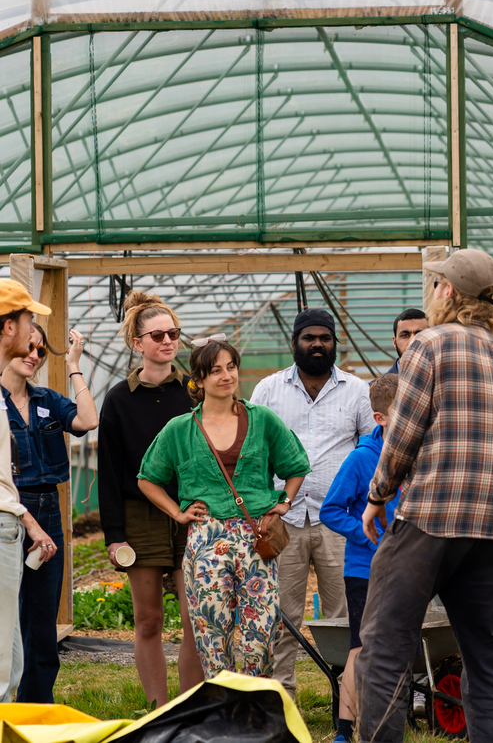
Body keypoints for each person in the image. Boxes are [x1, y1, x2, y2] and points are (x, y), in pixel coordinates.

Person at [355, 248, 493, 743]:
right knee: (489, 656)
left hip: (432, 520)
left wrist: (378, 496)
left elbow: (402, 436)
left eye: (435, 284)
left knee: (385, 645)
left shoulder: (429, 345)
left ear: (447, 292)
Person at [138, 337, 311, 679]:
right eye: (215, 371)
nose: (226, 376)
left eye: (230, 367)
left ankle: (254, 712)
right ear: (198, 381)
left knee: (259, 634)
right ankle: (223, 712)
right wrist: (177, 513)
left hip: (257, 538)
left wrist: (284, 503)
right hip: (206, 538)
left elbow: (297, 465)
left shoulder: (261, 419)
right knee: (211, 634)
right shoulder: (180, 429)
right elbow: (148, 478)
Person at [250, 308, 374, 698]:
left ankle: (345, 695)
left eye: (325, 337)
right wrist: (264, 505)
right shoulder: (268, 390)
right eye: (309, 338)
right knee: (282, 614)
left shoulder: (357, 391)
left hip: (339, 521)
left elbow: (374, 449)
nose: (318, 344)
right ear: (295, 343)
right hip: (281, 520)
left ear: (335, 342)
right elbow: (254, 452)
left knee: (344, 617)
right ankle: (280, 694)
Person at [97, 290, 204, 707]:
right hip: (140, 516)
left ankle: (189, 709)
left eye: (173, 334)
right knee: (148, 620)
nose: (167, 342)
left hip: (193, 512)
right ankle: (160, 711)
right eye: (157, 335)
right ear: (137, 343)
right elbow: (109, 471)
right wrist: (114, 535)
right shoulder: (119, 400)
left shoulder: (192, 392)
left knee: (195, 618)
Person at [1, 323, 98, 703]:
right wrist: (27, 519)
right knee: (6, 620)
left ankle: (36, 706)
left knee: (41, 621)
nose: (34, 356)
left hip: (49, 512)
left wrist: (74, 364)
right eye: (28, 347)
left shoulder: (47, 399)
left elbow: (88, 421)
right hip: (10, 511)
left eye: (41, 350)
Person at [319, 374, 400, 743]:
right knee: (360, 647)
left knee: (396, 646)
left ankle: (386, 720)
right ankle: (343, 730)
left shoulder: (420, 455)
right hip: (365, 569)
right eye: (406, 410)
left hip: (410, 566)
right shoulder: (362, 458)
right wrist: (368, 536)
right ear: (380, 418)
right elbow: (331, 510)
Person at [0, 280, 58, 703]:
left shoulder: (44, 398)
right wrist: (24, 517)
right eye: (26, 320)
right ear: (7, 328)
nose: (31, 331)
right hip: (8, 519)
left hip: (17, 518)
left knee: (12, 657)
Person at [386, 308, 428, 374]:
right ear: (394, 342)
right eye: (405, 335)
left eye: (420, 334)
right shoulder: (377, 384)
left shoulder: (446, 382)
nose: (412, 342)